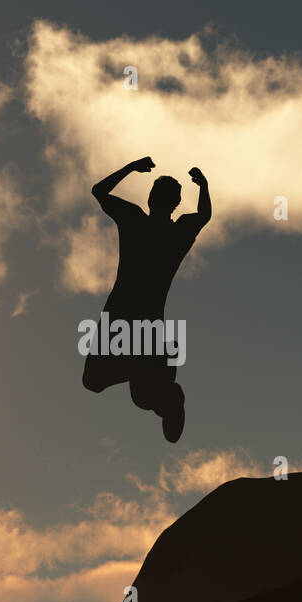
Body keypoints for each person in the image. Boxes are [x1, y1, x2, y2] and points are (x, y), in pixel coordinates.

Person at [81, 156, 210, 442]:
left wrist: (130, 168)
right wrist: (203, 186)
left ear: (153, 198)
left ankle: (164, 387)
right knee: (97, 382)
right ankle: (156, 371)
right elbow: (203, 215)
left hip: (127, 316)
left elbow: (99, 191)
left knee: (131, 394)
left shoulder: (136, 220)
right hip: (136, 318)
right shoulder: (177, 231)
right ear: (175, 203)